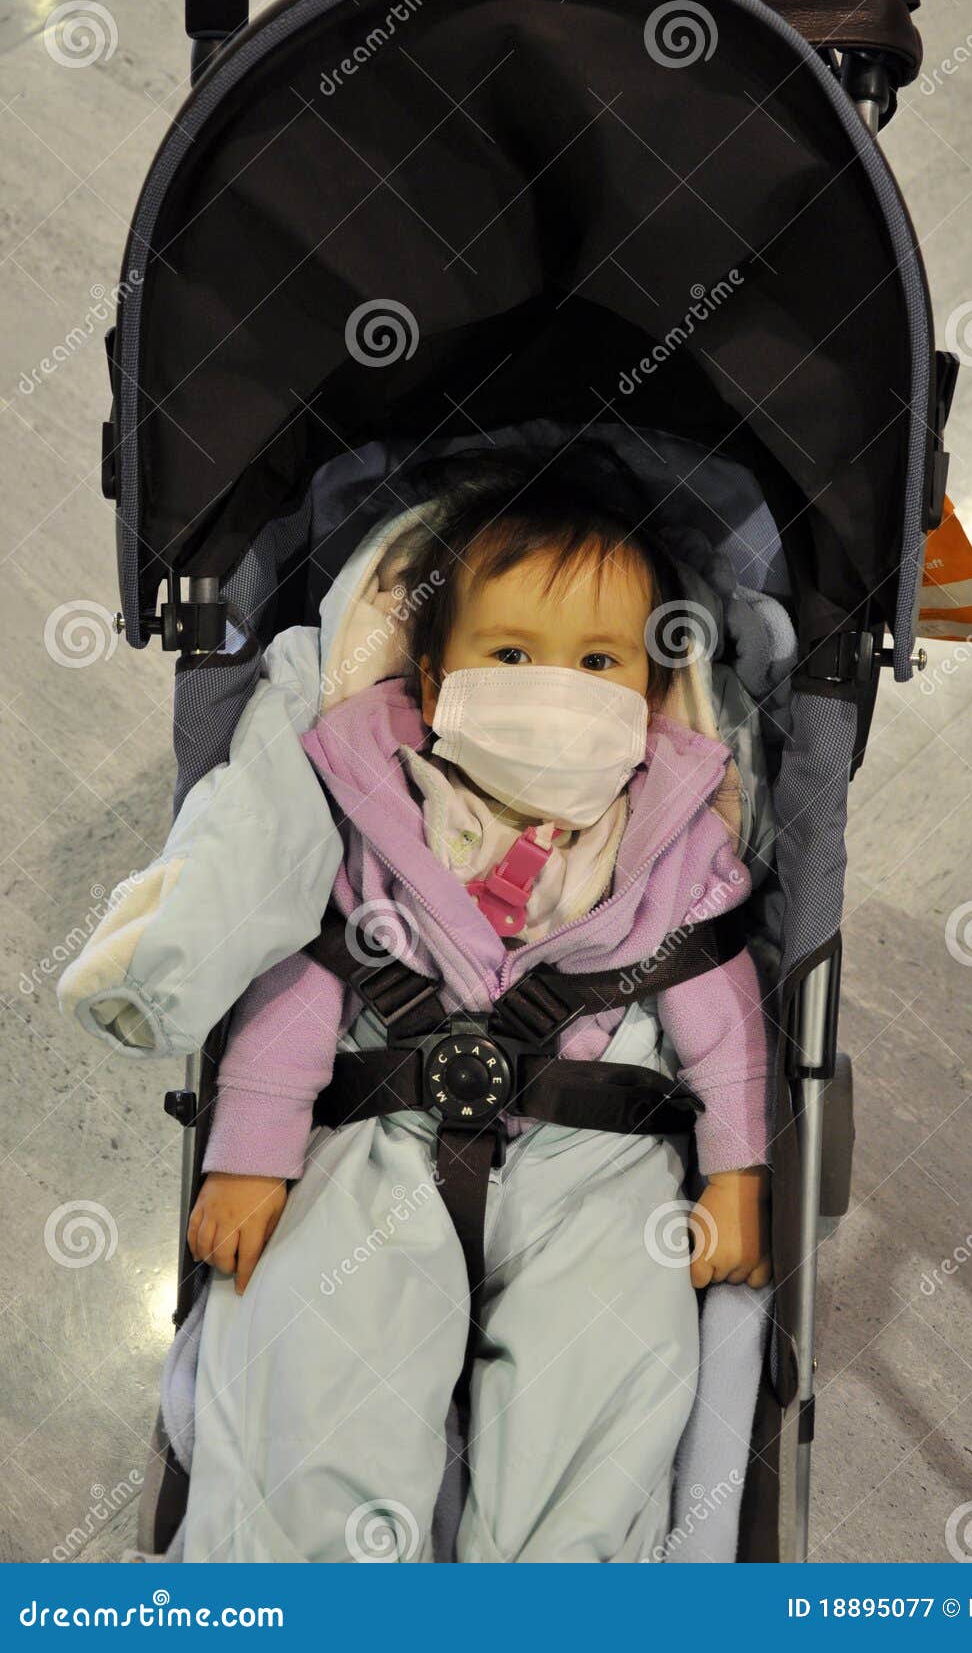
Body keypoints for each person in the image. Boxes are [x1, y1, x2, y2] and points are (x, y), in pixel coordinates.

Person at [180, 451, 772, 1563]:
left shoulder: (671, 827)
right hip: (375, 1138)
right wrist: (254, 1144)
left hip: (595, 1159)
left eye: (598, 661)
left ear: (648, 697)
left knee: (600, 1382)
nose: (557, 688)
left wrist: (736, 1167)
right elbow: (308, 963)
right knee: (320, 1358)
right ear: (437, 685)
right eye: (512, 654)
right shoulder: (370, 795)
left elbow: (719, 1001)